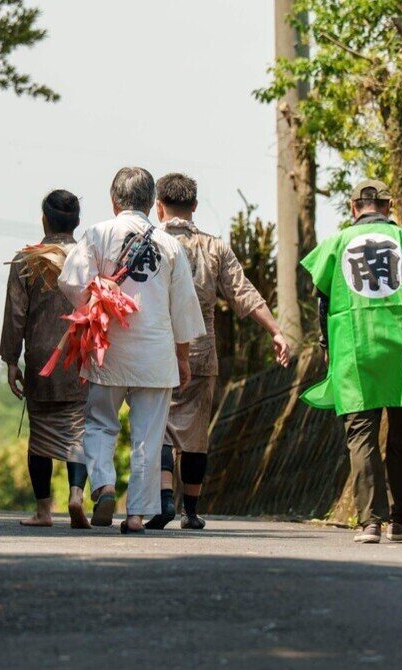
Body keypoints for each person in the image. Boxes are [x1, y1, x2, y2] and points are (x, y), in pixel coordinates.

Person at [300, 179, 402, 544]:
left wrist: (326, 346)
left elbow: (322, 303)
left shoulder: (335, 245)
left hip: (355, 348)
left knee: (361, 435)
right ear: (388, 205)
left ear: (354, 209)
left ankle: (370, 522)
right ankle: (400, 519)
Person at [58, 167, 205, 534]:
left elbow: (71, 281)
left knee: (99, 423)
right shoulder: (170, 245)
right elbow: (183, 306)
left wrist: (95, 305)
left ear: (114, 200)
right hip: (155, 354)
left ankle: (104, 484)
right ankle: (137, 515)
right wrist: (183, 358)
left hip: (109, 348)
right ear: (151, 203)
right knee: (148, 437)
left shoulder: (98, 233)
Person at [146, 173, 292, 531]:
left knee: (159, 427)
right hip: (200, 349)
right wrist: (275, 330)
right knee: (195, 434)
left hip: (155, 347)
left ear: (158, 207)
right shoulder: (215, 248)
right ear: (194, 206)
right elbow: (243, 292)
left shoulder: (147, 244)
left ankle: (164, 498)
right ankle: (190, 511)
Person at [0, 190, 92, 529]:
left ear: (44, 220)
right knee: (77, 432)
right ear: (77, 222)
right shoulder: (88, 258)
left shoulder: (27, 259)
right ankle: (77, 495)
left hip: (41, 360)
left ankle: (42, 511)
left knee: (40, 435)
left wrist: (11, 361)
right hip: (81, 357)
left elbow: (15, 315)